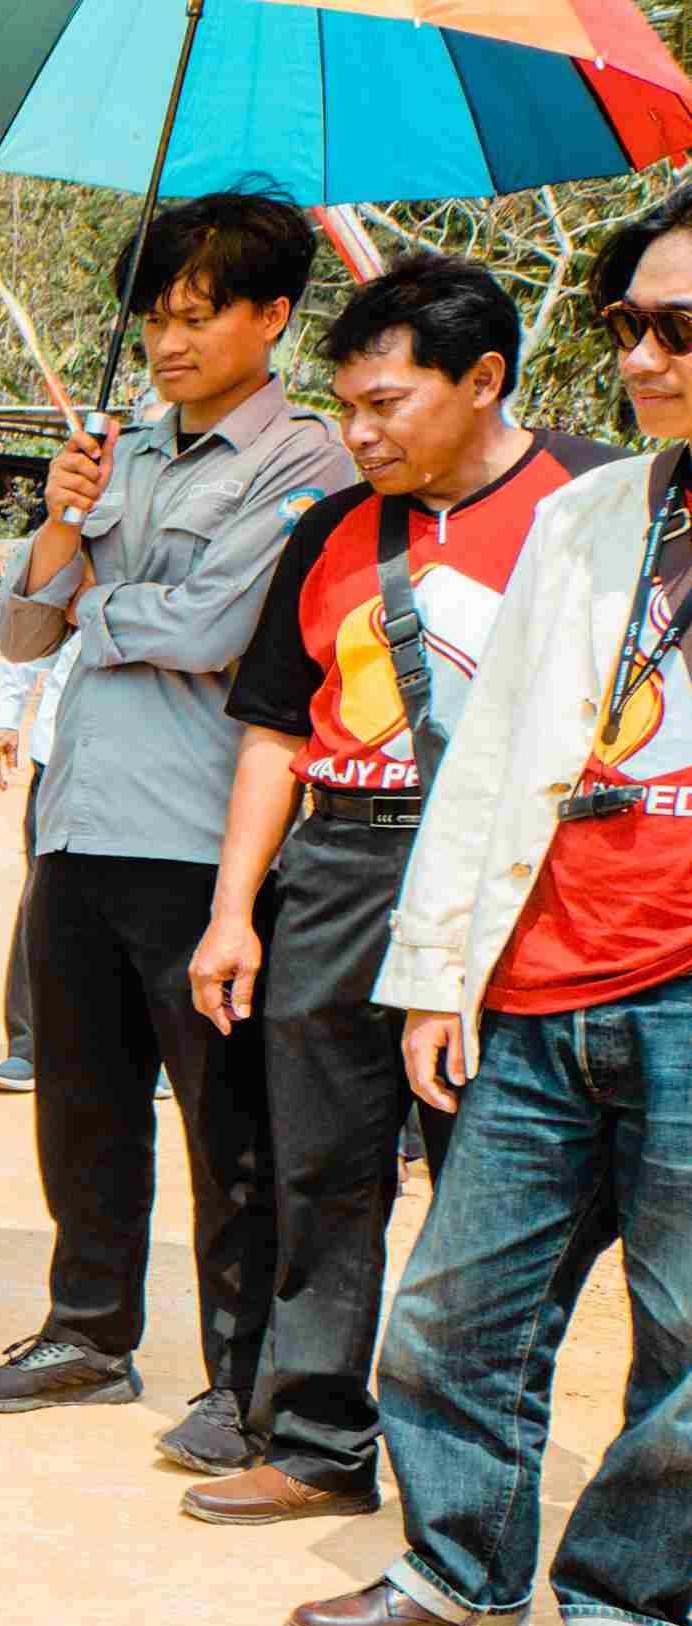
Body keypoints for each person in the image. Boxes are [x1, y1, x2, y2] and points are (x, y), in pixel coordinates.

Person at [280, 188, 692, 1626]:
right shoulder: (599, 514)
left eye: (674, 329)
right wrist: (434, 972)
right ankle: (457, 1569)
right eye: (626, 327)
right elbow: (490, 758)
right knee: (453, 1312)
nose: (640, 357)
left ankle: (626, 1611)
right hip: (537, 980)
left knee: (680, 1338)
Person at [181, 256, 619, 1525]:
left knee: (488, 1183)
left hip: (512, 879)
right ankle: (315, 1437)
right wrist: (231, 911)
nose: (357, 432)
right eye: (346, 405)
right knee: (319, 1164)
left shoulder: (596, 501)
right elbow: (271, 728)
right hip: (337, 867)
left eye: (384, 403)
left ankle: (465, 1482)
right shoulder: (329, 531)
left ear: (483, 381)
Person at [0, 194, 356, 1479]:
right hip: (76, 822)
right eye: (154, 316)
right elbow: (18, 633)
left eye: (198, 314)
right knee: (79, 1100)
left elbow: (209, 629)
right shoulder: (110, 447)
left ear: (272, 317)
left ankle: (242, 1380)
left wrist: (93, 602)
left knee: (226, 1126)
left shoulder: (306, 461)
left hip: (200, 838)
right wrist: (65, 523)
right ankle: (85, 1327)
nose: (168, 341)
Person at [0, 646, 74, 1092]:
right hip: (59, 757)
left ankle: (152, 1052)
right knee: (45, 895)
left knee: (156, 896)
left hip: (164, 760)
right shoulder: (75, 572)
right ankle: (30, 1044)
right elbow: (28, 633)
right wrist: (3, 717)